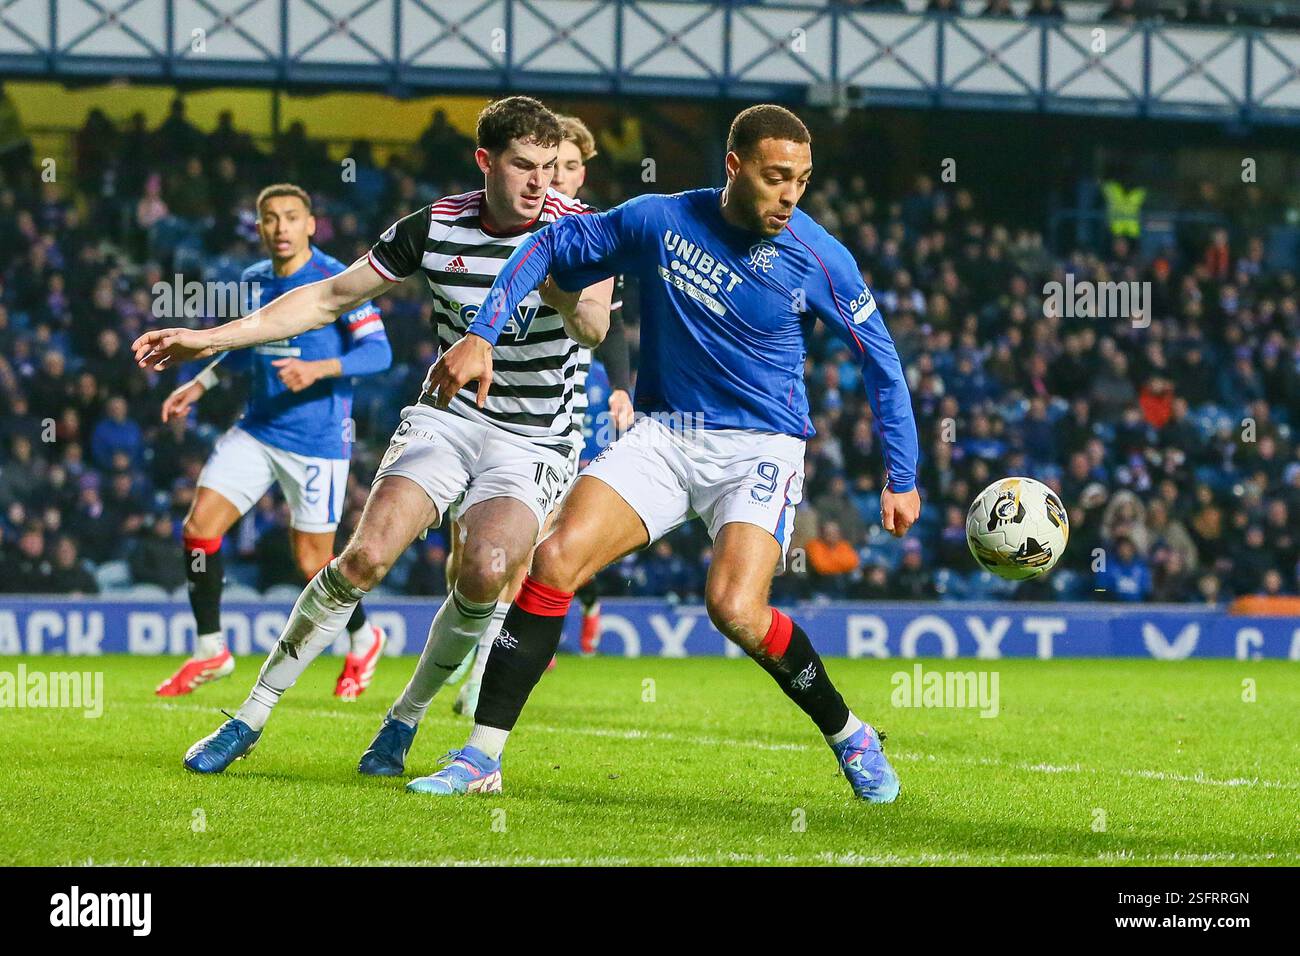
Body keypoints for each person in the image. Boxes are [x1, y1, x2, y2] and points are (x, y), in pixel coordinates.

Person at [407, 104, 920, 802]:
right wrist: (482, 333)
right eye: (775, 177)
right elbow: (546, 247)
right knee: (554, 560)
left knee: (735, 609)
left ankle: (848, 731)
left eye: (801, 180)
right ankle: (481, 758)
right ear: (734, 167)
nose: (790, 195)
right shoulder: (660, 220)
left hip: (758, 447)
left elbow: (881, 361)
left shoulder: (819, 256)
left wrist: (901, 474)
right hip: (665, 435)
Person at [134, 96, 613, 775]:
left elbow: (594, 327)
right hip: (449, 417)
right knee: (362, 559)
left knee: (484, 571)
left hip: (534, 438)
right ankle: (249, 716)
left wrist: (558, 283)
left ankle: (403, 720)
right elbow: (328, 297)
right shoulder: (435, 225)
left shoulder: (584, 229)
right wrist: (209, 338)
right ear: (485, 162)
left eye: (547, 166)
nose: (539, 182)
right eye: (521, 166)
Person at [151, 183, 393, 701]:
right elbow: (244, 347)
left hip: (316, 439)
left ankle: (364, 637)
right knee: (199, 528)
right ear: (259, 227)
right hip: (258, 428)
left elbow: (379, 353)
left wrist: (319, 368)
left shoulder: (338, 278)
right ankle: (210, 649)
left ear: (311, 224)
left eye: (291, 217)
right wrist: (200, 384)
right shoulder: (254, 279)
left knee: (314, 564)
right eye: (270, 218)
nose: (281, 227)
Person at [450, 113, 636, 720]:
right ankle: (479, 646)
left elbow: (606, 325)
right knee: (466, 554)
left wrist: (621, 388)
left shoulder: (588, 237)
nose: (557, 178)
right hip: (475, 407)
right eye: (552, 166)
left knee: (527, 542)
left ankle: (487, 668)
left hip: (553, 417)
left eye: (569, 167)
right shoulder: (498, 226)